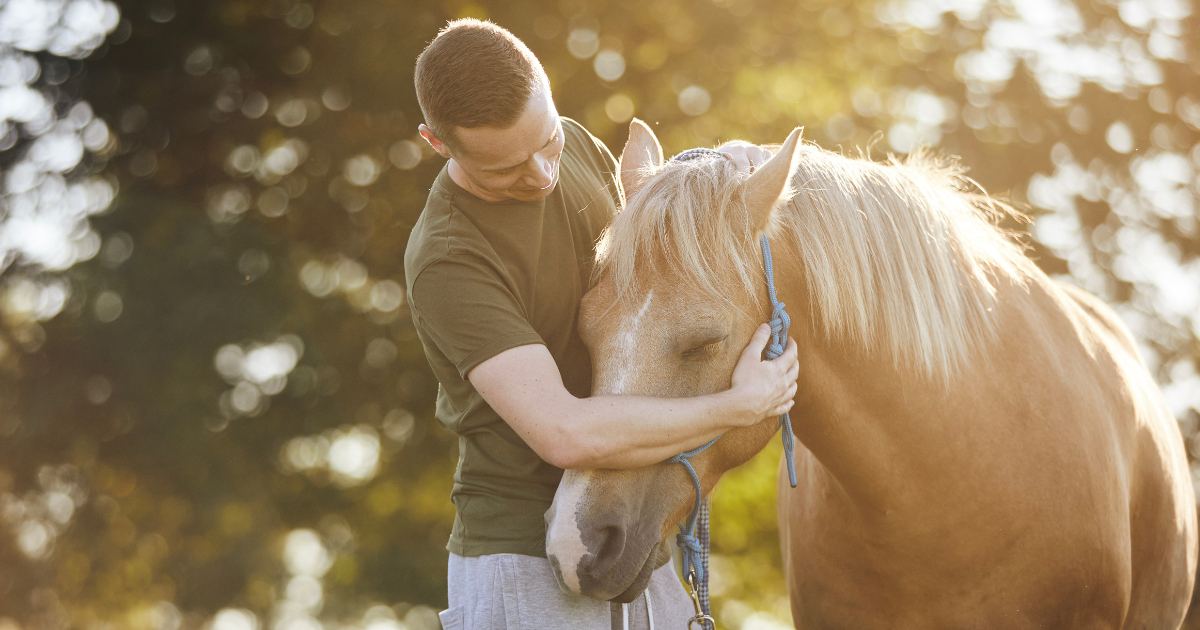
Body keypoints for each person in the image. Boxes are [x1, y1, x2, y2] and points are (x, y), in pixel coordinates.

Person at [405, 19, 800, 630]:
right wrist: (741, 404)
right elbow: (564, 432)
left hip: (640, 529)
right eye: (506, 168)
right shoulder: (449, 257)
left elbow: (657, 284)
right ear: (438, 144)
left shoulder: (579, 149)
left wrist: (723, 172)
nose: (540, 175)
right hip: (525, 562)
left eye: (546, 141)